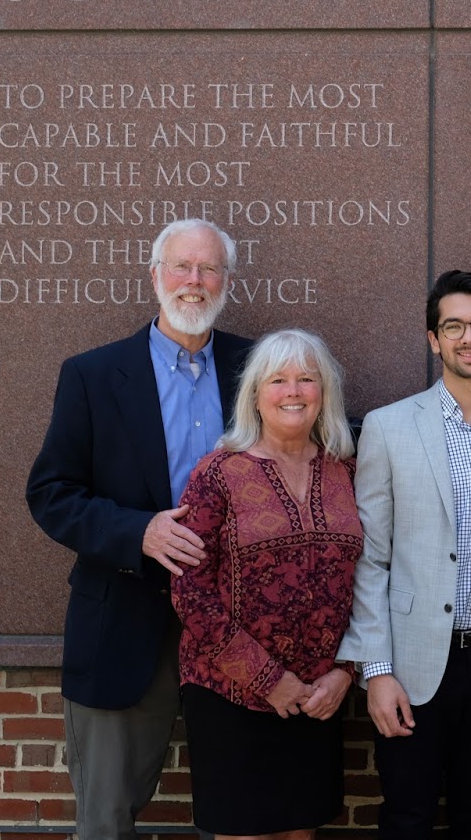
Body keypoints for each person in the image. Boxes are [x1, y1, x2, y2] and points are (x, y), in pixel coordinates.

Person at [26, 218, 253, 840]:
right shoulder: (93, 376)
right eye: (181, 266)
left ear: (227, 281)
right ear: (155, 275)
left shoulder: (260, 368)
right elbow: (50, 494)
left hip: (239, 627)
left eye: (208, 269)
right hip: (125, 617)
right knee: (104, 823)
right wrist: (138, 532)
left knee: (241, 817)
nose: (194, 281)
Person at [338, 270, 471, 840]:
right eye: (453, 326)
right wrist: (377, 671)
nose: (468, 338)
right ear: (433, 339)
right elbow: (370, 558)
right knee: (407, 818)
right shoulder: (389, 427)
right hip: (413, 665)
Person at [172, 328, 362, 839]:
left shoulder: (348, 470)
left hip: (318, 695)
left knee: (299, 831)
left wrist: (343, 672)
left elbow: (370, 579)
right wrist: (267, 679)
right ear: (255, 393)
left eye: (307, 378)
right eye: (278, 380)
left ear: (325, 392)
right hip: (229, 694)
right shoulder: (217, 473)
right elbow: (190, 593)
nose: (293, 391)